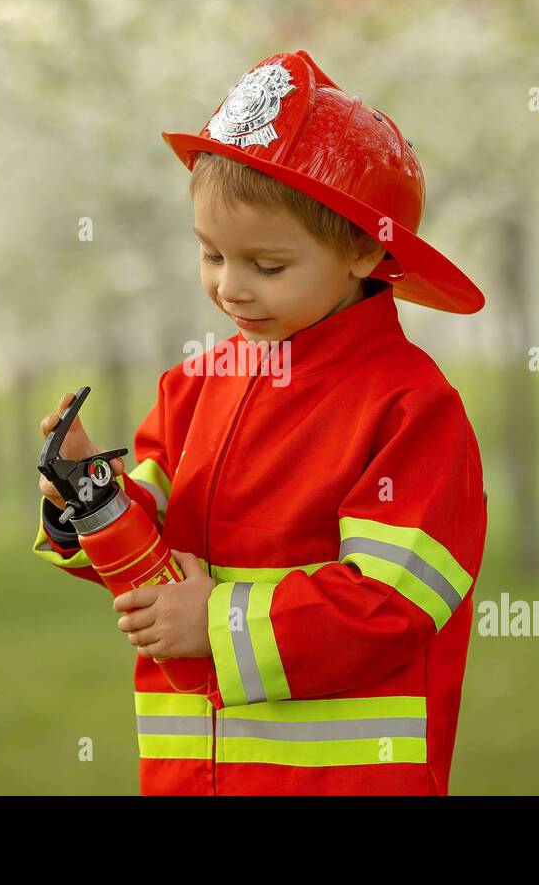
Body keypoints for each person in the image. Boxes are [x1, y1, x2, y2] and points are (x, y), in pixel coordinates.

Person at [33, 50, 488, 795]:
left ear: (365, 250)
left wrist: (216, 622)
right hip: (190, 776)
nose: (230, 288)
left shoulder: (410, 409)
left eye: (267, 265)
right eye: (211, 254)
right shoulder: (192, 388)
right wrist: (90, 500)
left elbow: (392, 602)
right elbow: (147, 556)